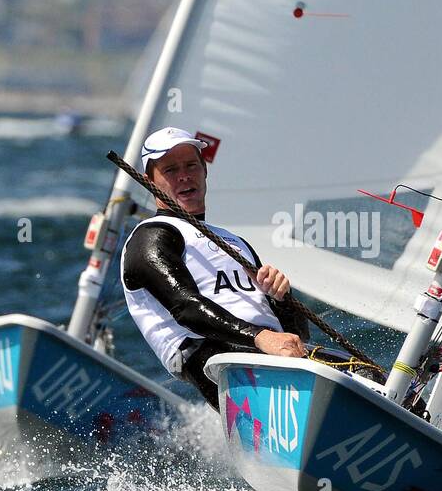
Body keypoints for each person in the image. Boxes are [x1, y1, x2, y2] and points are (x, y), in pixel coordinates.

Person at [120, 127, 308, 409]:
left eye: (191, 165)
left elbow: (298, 334)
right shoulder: (150, 237)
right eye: (170, 170)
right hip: (209, 353)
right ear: (149, 181)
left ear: (204, 171)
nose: (184, 176)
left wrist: (282, 298)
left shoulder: (234, 241)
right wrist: (261, 338)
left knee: (372, 379)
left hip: (268, 350)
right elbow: (186, 308)